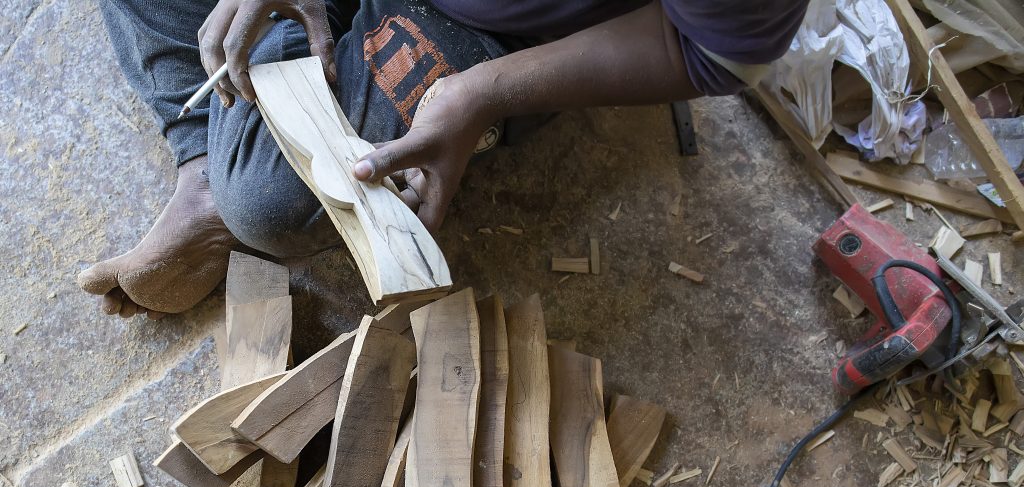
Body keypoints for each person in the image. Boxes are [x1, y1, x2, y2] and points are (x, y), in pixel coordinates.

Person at [80, 0, 810, 319]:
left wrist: (484, 94)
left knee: (272, 202)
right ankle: (208, 149)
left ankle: (216, 162)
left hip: (490, 23)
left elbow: (709, 50)